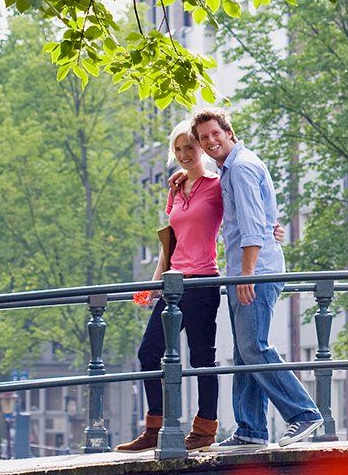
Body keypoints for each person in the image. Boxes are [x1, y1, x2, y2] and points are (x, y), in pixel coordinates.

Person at [191, 107, 325, 447]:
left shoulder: (241, 168)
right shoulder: (231, 168)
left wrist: (246, 275)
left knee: (254, 347)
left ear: (228, 132)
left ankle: (303, 414)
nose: (210, 141)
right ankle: (250, 429)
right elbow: (262, 221)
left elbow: (252, 227)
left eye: (214, 134)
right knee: (243, 351)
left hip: (254, 272)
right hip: (246, 270)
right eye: (204, 138)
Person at [117, 120, 227, 453]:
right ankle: (155, 427)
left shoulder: (218, 185)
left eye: (189, 148)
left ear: (201, 149)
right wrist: (148, 289)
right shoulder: (176, 188)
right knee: (148, 352)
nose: (183, 155)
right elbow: (170, 244)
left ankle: (206, 428)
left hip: (203, 282)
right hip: (173, 284)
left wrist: (273, 231)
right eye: (177, 149)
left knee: (201, 357)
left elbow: (247, 215)